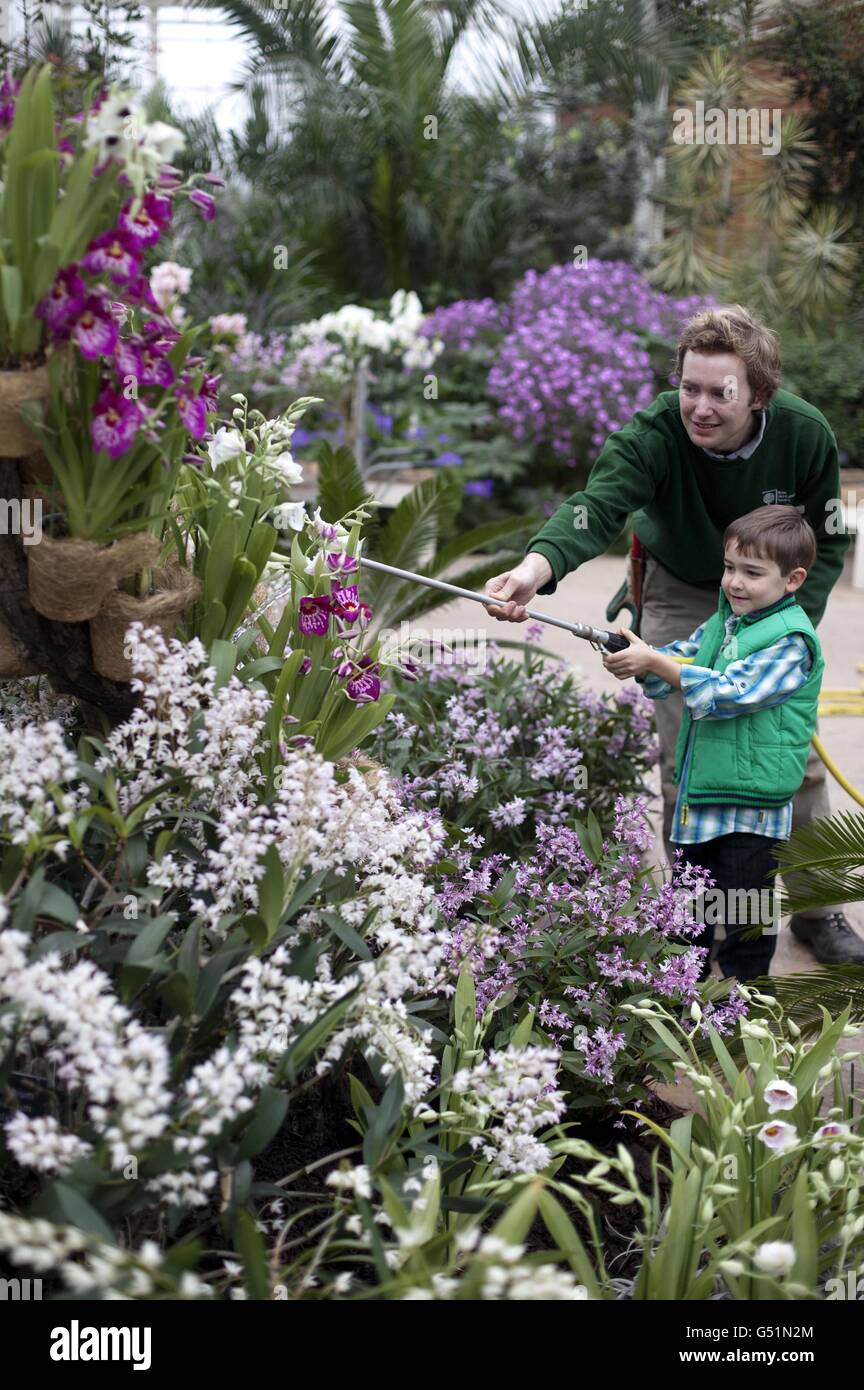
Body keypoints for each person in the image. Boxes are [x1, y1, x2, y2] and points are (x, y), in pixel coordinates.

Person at [483, 304, 863, 965]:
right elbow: (596, 506)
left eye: (722, 393)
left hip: (775, 592)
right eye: (691, 388)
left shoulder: (803, 433)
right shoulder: (655, 432)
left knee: (792, 763)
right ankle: (696, 916)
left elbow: (830, 537)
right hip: (685, 585)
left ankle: (818, 910)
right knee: (687, 753)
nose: (702, 407)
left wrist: (791, 622)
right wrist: (531, 569)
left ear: (760, 394)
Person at [600, 505, 823, 981]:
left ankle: (747, 1015)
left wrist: (657, 665)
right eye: (729, 568)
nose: (735, 582)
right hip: (701, 802)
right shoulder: (725, 623)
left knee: (745, 921)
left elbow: (732, 691)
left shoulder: (792, 641)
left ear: (793, 579)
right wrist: (644, 657)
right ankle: (683, 1004)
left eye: (752, 572)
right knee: (689, 919)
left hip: (753, 810)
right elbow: (682, 656)